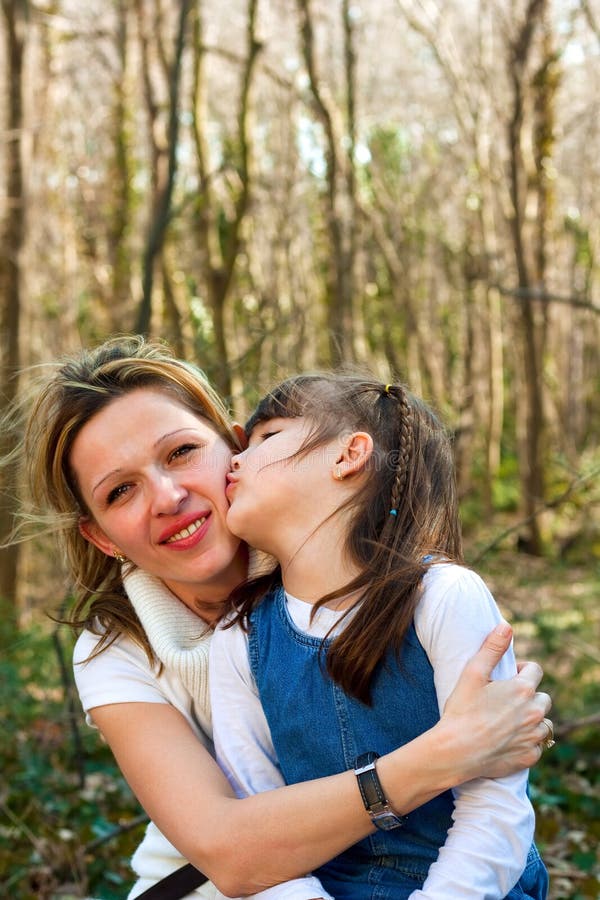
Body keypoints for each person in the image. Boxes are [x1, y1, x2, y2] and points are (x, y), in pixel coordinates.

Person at [12, 337, 553, 900]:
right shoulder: (122, 650)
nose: (168, 496)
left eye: (181, 453)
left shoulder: (394, 580)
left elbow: (496, 793)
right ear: (101, 536)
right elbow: (231, 852)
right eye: (121, 491)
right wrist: (444, 756)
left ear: (233, 446)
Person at [211, 373, 551, 900]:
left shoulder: (443, 597)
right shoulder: (242, 636)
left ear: (349, 455)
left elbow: (495, 809)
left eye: (266, 438)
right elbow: (258, 816)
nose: (234, 460)